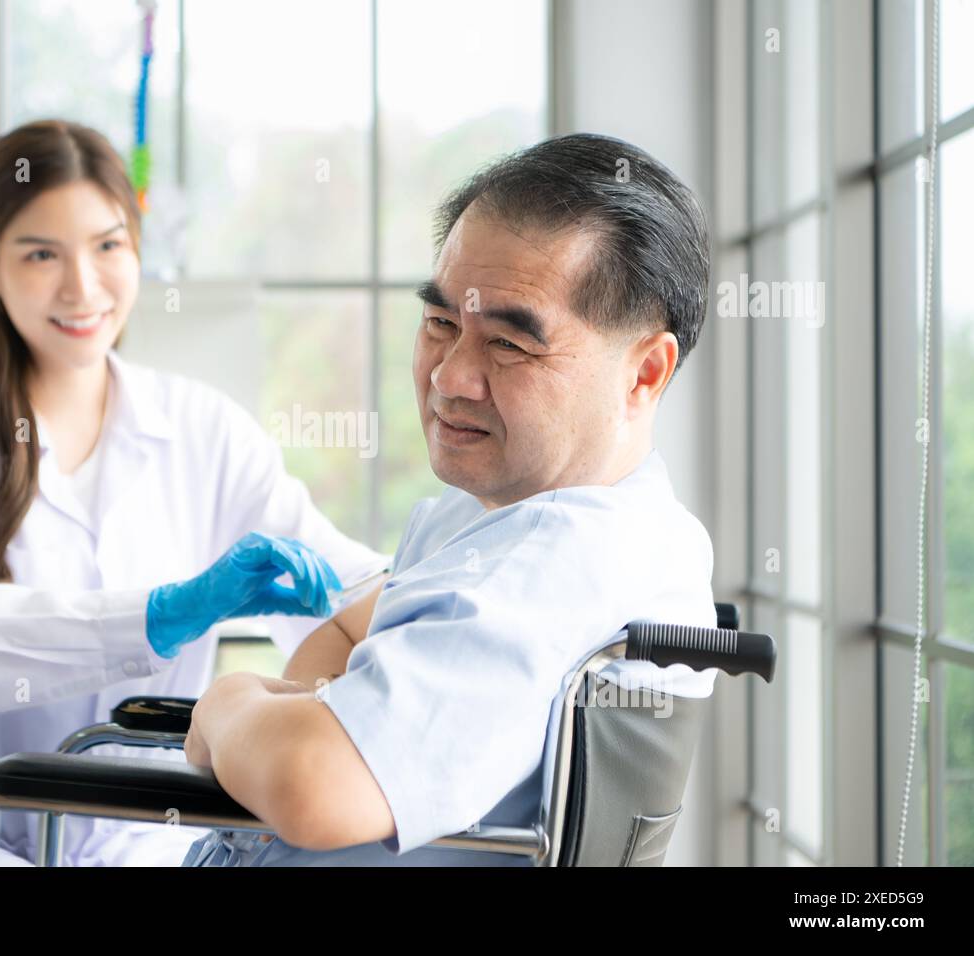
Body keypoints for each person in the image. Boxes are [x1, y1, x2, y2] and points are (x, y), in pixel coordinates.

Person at [0, 119, 386, 867]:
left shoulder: (203, 430)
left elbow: (340, 583)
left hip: (138, 837)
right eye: (41, 254)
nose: (82, 286)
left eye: (108, 245)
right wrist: (157, 618)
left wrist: (445, 603)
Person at [179, 132, 718, 866]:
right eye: (440, 324)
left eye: (509, 345)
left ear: (644, 374)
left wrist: (232, 702)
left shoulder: (562, 559)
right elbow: (342, 633)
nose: (450, 377)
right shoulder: (510, 516)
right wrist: (299, 724)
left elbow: (313, 785)